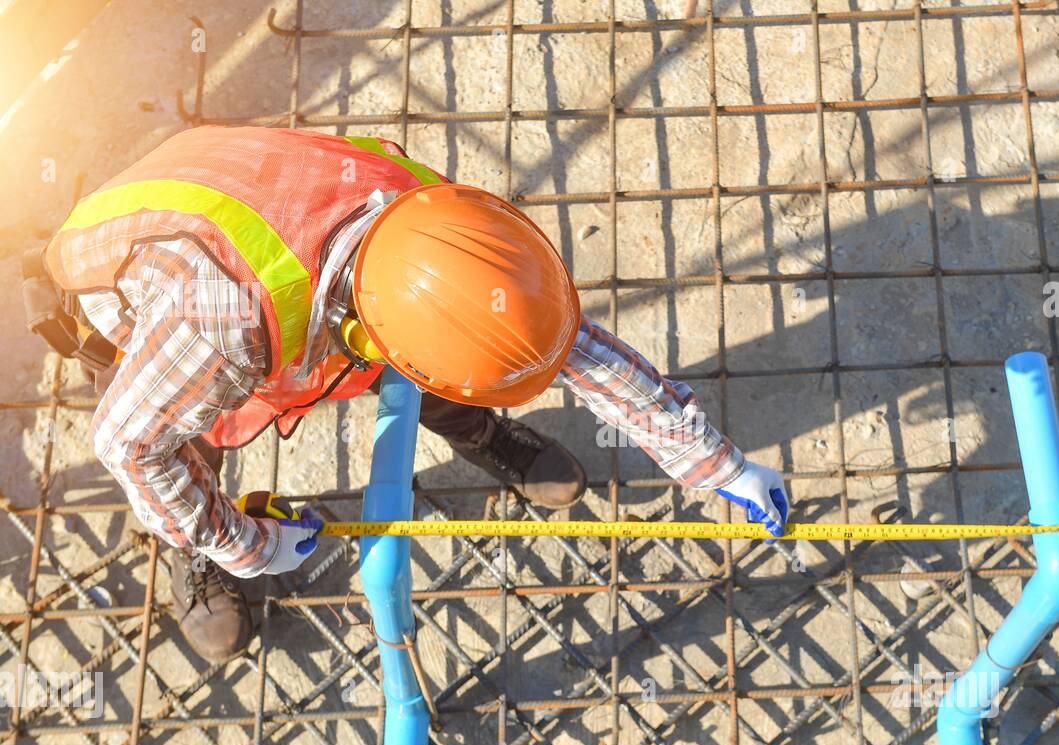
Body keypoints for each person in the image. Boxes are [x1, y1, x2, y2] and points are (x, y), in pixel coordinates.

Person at [27, 126, 789, 663]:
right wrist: (246, 544)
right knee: (190, 436)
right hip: (140, 276)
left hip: (236, 193)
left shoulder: (439, 225)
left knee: (449, 364)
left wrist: (716, 465)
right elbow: (129, 442)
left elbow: (569, 348)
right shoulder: (220, 328)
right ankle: (197, 550)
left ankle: (477, 430)